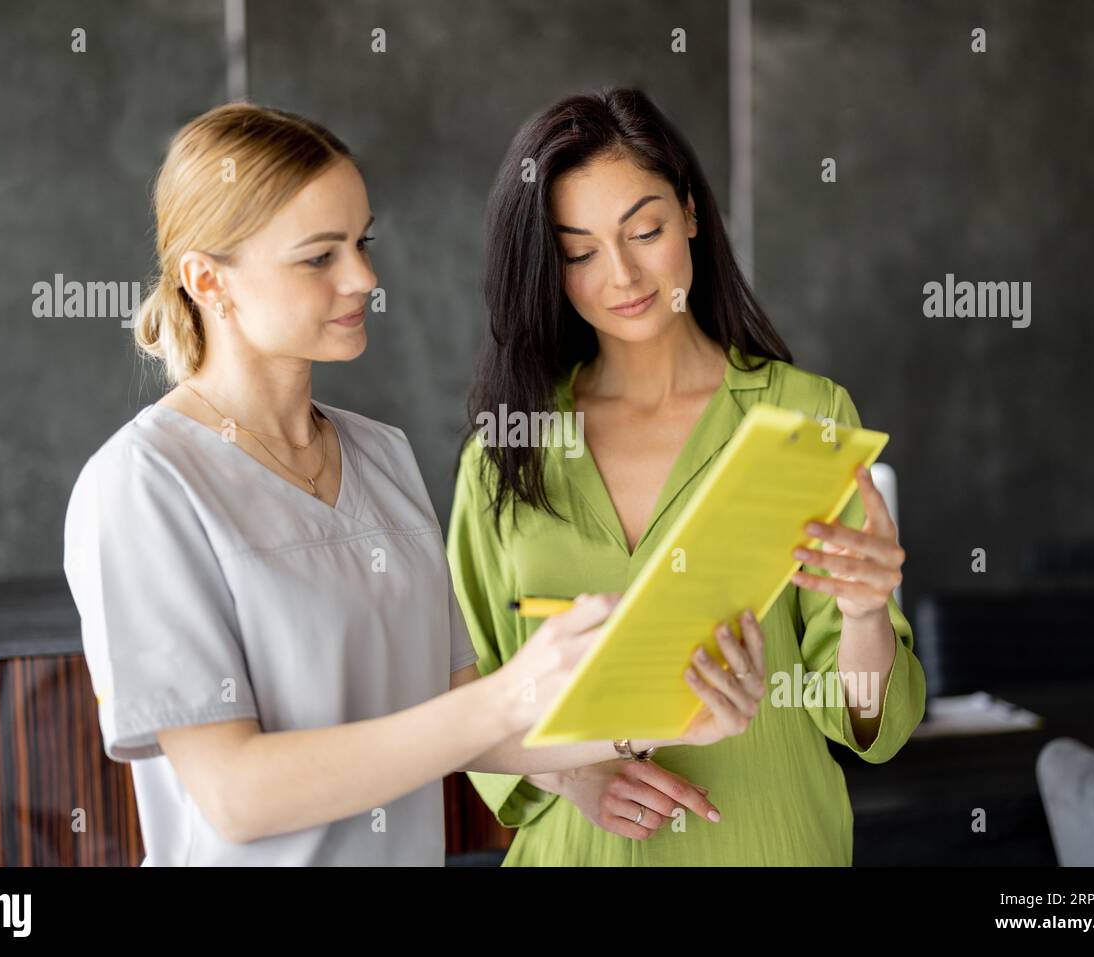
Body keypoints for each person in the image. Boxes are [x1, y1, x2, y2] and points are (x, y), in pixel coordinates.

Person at [62, 102, 762, 866]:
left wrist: (659, 718)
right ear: (208, 280)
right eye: (319, 256)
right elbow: (237, 795)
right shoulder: (144, 484)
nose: (364, 276)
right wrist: (506, 694)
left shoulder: (380, 457)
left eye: (361, 243)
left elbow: (466, 723)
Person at [448, 88, 927, 865]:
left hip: (768, 840)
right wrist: (575, 774)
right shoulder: (506, 454)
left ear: (692, 213)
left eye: (645, 229)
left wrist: (868, 613)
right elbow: (469, 696)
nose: (623, 273)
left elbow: (873, 722)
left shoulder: (804, 416)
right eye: (580, 251)